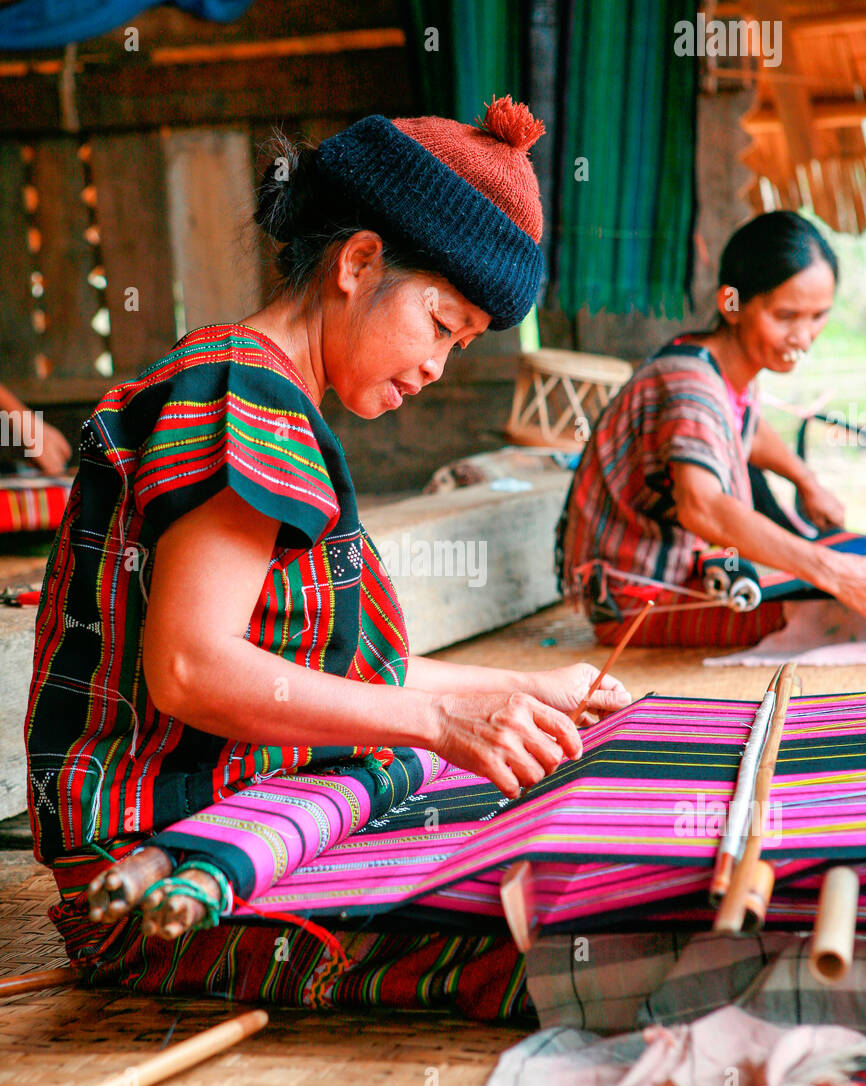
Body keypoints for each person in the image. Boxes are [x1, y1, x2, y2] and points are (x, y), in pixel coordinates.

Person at [24, 98, 629, 1021]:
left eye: (463, 344)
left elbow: (334, 675)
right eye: (442, 324)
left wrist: (527, 689)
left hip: (249, 821)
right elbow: (191, 668)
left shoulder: (264, 395)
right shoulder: (245, 393)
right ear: (358, 262)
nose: (439, 366)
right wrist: (440, 724)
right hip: (176, 870)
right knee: (576, 924)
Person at [558, 211, 866, 647]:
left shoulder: (720, 369)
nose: (803, 336)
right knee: (843, 607)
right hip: (639, 603)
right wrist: (834, 573)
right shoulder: (690, 384)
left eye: (818, 316)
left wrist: (806, 481)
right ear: (732, 304)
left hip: (683, 576)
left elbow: (743, 429)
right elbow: (702, 507)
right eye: (785, 316)